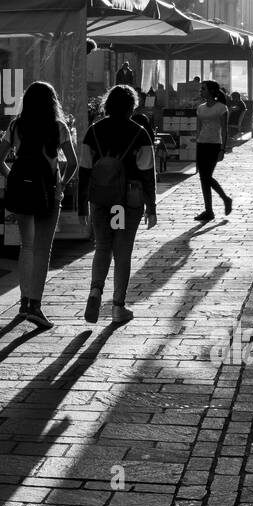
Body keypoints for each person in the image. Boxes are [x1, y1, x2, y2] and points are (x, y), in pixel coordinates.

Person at [0, 80, 77, 330]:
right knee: (43, 249)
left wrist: (14, 178)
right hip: (48, 192)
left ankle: (23, 302)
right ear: (53, 103)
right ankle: (36, 306)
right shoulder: (58, 127)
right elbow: (71, 162)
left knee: (26, 246)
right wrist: (62, 184)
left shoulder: (16, 125)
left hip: (22, 190)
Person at [78, 84, 157, 326]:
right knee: (122, 251)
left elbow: (84, 170)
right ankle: (117, 307)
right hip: (124, 203)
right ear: (132, 106)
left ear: (107, 104)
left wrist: (82, 207)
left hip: (101, 200)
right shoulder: (139, 132)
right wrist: (151, 206)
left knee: (102, 246)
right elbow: (147, 172)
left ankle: (94, 291)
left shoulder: (94, 131)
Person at [194, 79, 232, 223]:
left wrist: (223, 148)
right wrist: (196, 142)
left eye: (203, 89)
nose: (201, 91)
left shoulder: (221, 108)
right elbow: (198, 127)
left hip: (214, 144)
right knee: (203, 178)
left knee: (206, 177)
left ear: (211, 91)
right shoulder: (200, 108)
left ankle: (225, 199)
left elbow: (224, 129)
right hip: (201, 144)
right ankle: (209, 210)